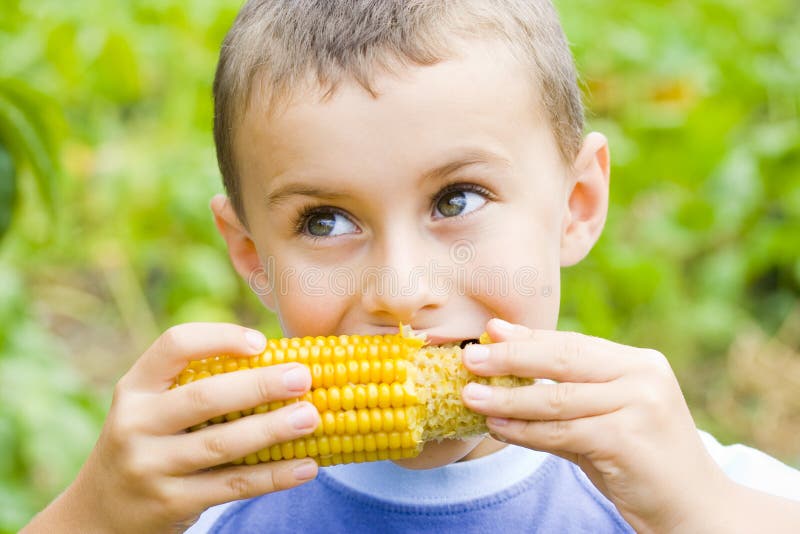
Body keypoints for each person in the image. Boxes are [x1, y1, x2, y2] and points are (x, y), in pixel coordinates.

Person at [23, 1, 800, 532]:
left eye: (457, 200)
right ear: (252, 254)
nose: (400, 292)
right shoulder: (194, 510)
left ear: (576, 203)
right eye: (324, 221)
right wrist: (91, 516)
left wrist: (707, 513)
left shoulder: (695, 491)